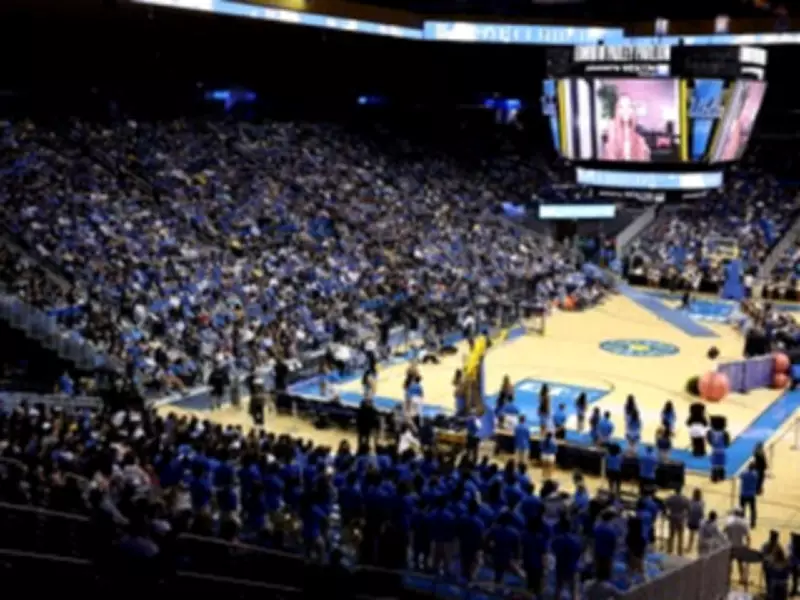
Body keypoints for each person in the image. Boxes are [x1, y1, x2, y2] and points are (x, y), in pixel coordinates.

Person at [601, 94, 652, 162]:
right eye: (621, 107)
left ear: (632, 110)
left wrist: (645, 152)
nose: (625, 110)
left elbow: (645, 157)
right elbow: (610, 155)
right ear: (617, 110)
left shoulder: (639, 132)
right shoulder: (612, 129)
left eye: (628, 106)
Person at [724, 509, 751, 587]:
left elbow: (723, 533)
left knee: (729, 563)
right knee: (740, 563)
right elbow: (748, 537)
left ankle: (727, 579)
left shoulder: (729, 523)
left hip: (731, 546)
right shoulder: (743, 524)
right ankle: (742, 579)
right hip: (740, 546)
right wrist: (748, 546)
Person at [664, 486, 690, 556]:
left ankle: (669, 550)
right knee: (680, 536)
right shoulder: (684, 499)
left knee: (671, 535)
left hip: (672, 517)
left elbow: (665, 505)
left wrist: (667, 514)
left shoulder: (671, 498)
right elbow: (688, 509)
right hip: (680, 518)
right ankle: (680, 551)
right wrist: (685, 516)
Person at [739, 462, 759, 528]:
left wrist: (746, 470)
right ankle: (753, 523)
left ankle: (741, 522)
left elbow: (740, 476)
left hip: (743, 494)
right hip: (751, 494)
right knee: (753, 509)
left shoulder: (744, 474)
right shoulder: (755, 474)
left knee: (742, 509)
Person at [686, 488, 705, 554]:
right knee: (699, 536)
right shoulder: (702, 502)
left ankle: (689, 548)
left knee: (691, 535)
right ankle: (697, 549)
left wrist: (687, 518)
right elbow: (702, 513)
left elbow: (688, 511)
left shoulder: (690, 501)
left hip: (692, 520)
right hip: (698, 521)